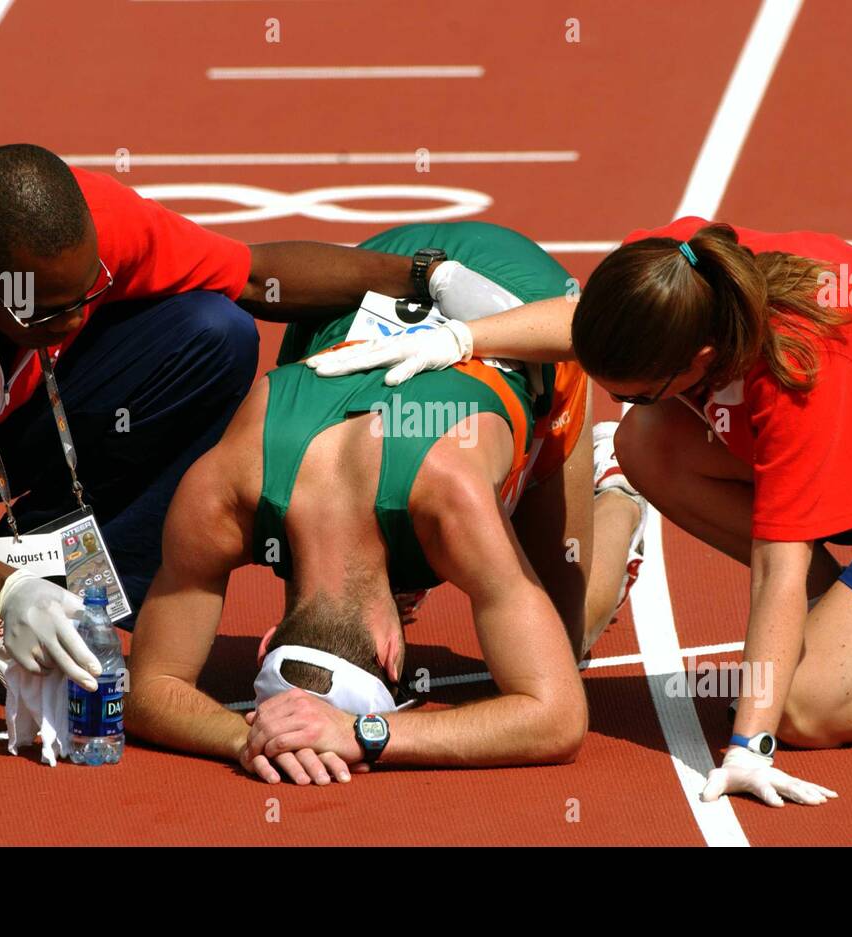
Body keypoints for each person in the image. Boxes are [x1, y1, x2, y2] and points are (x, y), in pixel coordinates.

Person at [309, 216, 852, 806]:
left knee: (809, 709)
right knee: (651, 443)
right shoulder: (674, 268)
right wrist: (459, 338)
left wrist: (751, 741)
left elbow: (777, 569)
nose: (621, 401)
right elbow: (588, 328)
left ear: (703, 359)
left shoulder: (803, 376)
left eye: (639, 386)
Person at [0, 143, 507, 756]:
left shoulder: (71, 232)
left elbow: (252, 275)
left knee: (213, 336)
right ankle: (2, 595)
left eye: (88, 291)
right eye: (49, 309)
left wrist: (427, 278)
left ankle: (16, 597)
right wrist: (3, 584)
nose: (77, 319)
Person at [125, 221, 645, 784]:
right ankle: (393, 548)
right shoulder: (223, 488)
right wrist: (248, 735)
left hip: (531, 306)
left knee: (565, 641)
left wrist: (363, 736)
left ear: (393, 654)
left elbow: (558, 717)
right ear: (269, 638)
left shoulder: (452, 498)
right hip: (375, 273)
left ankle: (618, 493)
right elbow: (146, 692)